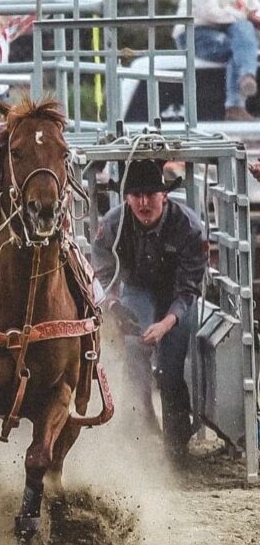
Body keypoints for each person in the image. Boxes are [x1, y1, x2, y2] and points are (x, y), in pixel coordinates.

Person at [91, 160, 207, 459]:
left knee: (171, 368)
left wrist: (167, 323)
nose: (143, 202)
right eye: (135, 195)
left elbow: (189, 288)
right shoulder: (113, 225)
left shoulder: (188, 226)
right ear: (127, 198)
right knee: (133, 350)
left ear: (164, 196)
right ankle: (138, 434)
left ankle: (176, 446)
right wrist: (113, 304)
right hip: (137, 288)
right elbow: (102, 274)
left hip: (176, 297)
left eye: (151, 194)